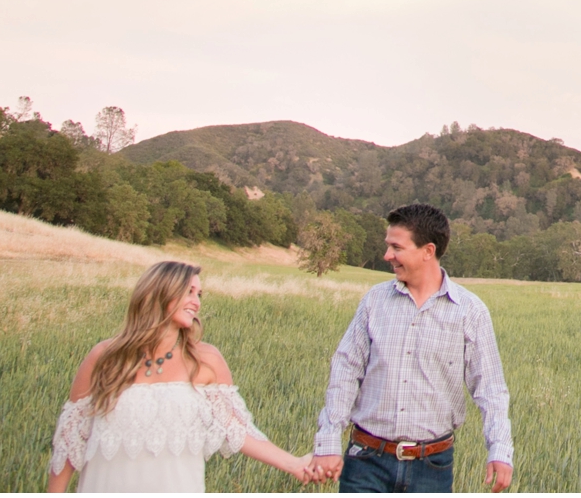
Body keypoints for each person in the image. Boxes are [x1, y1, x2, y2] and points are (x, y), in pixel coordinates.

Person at [48, 260, 312, 492]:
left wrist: (293, 463)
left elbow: (237, 430)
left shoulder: (206, 361)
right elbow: (70, 439)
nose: (196, 302)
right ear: (159, 294)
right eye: (188, 292)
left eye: (199, 294)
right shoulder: (104, 357)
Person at [304, 204, 513, 493]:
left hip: (432, 467)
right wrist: (328, 441)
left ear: (428, 251)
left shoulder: (470, 311)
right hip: (366, 461)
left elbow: (490, 388)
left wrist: (500, 451)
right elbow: (345, 369)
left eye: (396, 247)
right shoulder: (374, 301)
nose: (387, 255)